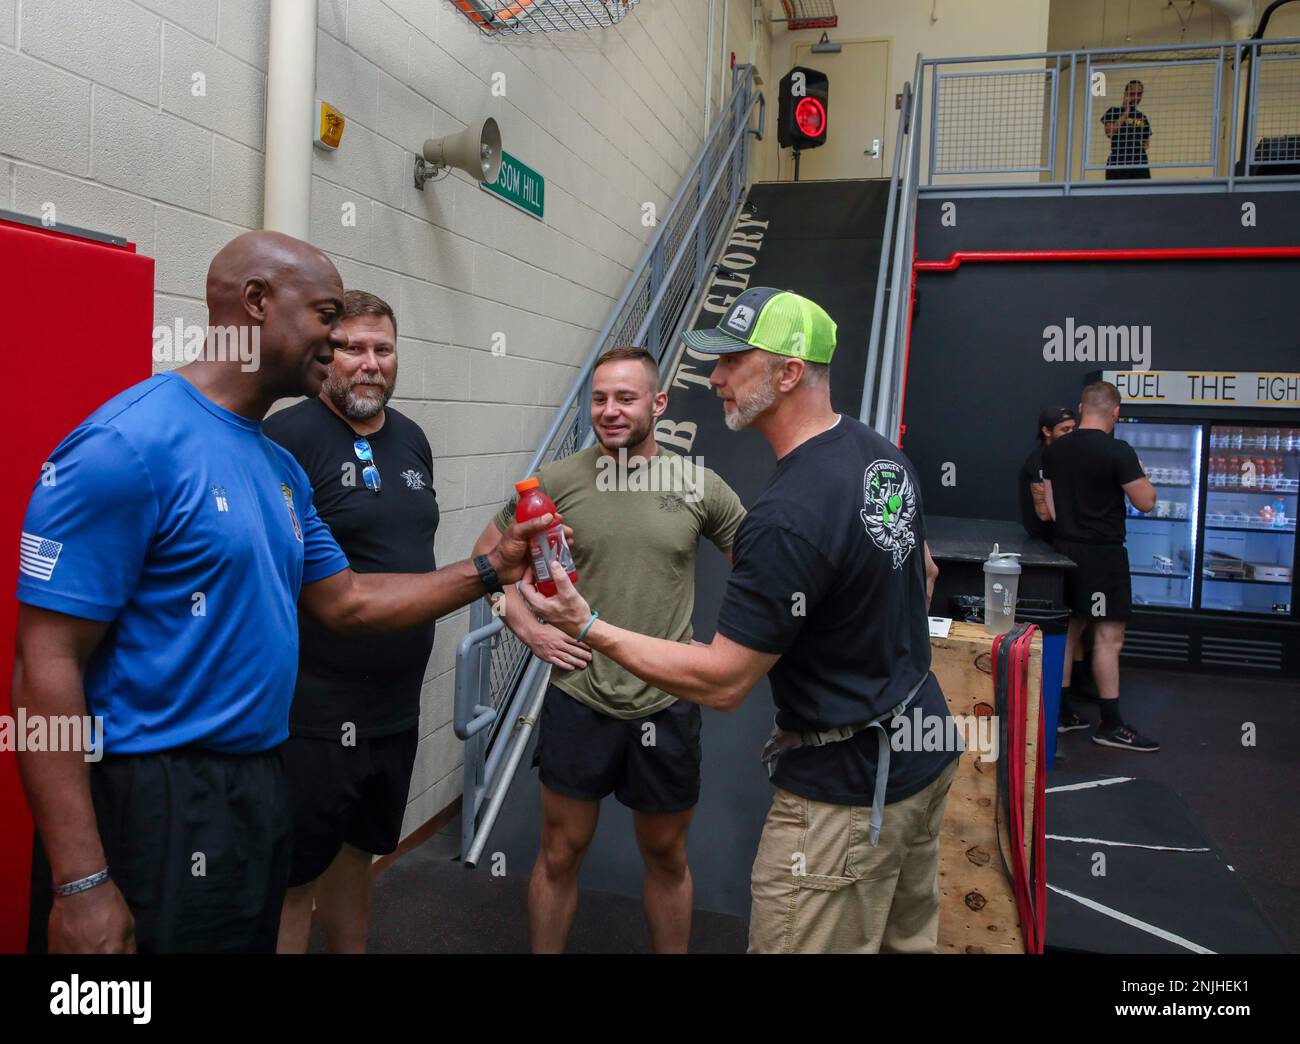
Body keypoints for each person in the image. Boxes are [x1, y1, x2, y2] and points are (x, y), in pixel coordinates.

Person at [13, 231, 556, 954]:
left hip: (256, 786)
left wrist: (494, 569)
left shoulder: (277, 467)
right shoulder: (126, 446)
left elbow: (349, 600)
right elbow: (43, 664)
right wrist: (79, 882)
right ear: (257, 302)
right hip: (150, 795)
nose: (337, 341)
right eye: (326, 315)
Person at [518, 288, 959, 954]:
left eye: (733, 362)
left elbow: (725, 683)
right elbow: (921, 573)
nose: (717, 379)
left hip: (844, 789)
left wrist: (586, 625)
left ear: (787, 373)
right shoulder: (878, 455)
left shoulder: (785, 513)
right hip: (919, 750)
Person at [470, 346, 746, 954]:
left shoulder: (698, 484)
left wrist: (728, 646)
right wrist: (526, 626)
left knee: (667, 854)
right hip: (580, 694)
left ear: (658, 403)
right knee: (560, 851)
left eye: (626, 397)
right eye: (600, 399)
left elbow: (761, 573)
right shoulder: (558, 482)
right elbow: (488, 559)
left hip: (665, 700)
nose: (611, 410)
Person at [264, 290, 439, 953]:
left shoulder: (412, 439)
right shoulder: (288, 439)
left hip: (394, 710)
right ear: (327, 354)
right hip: (310, 714)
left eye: (383, 349)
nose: (370, 364)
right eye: (353, 348)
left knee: (359, 856)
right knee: (292, 878)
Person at [1042, 380, 1160, 751]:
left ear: (1081, 408)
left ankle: (1060, 714)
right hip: (1102, 554)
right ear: (1115, 412)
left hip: (1063, 551)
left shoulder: (1055, 451)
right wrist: (1141, 470)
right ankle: (1110, 724)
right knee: (1109, 638)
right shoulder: (1119, 451)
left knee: (1070, 632)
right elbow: (1146, 502)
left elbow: (1051, 506)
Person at [1017, 406, 1095, 733]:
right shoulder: (1039, 463)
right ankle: (1059, 706)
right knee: (1068, 623)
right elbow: (1046, 513)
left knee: (1080, 617)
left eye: (1073, 429)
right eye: (1064, 430)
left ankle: (1077, 687)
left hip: (1065, 546)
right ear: (1047, 431)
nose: (1071, 434)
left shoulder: (1063, 459)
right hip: (1048, 549)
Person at [1102, 79, 1152, 180]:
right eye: (1132, 94)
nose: (1136, 97)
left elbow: (1146, 143)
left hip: (1139, 163)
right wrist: (1126, 112)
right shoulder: (1113, 111)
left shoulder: (1142, 117)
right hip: (1118, 162)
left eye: (1139, 94)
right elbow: (1109, 132)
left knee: (1141, 194)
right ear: (1125, 94)